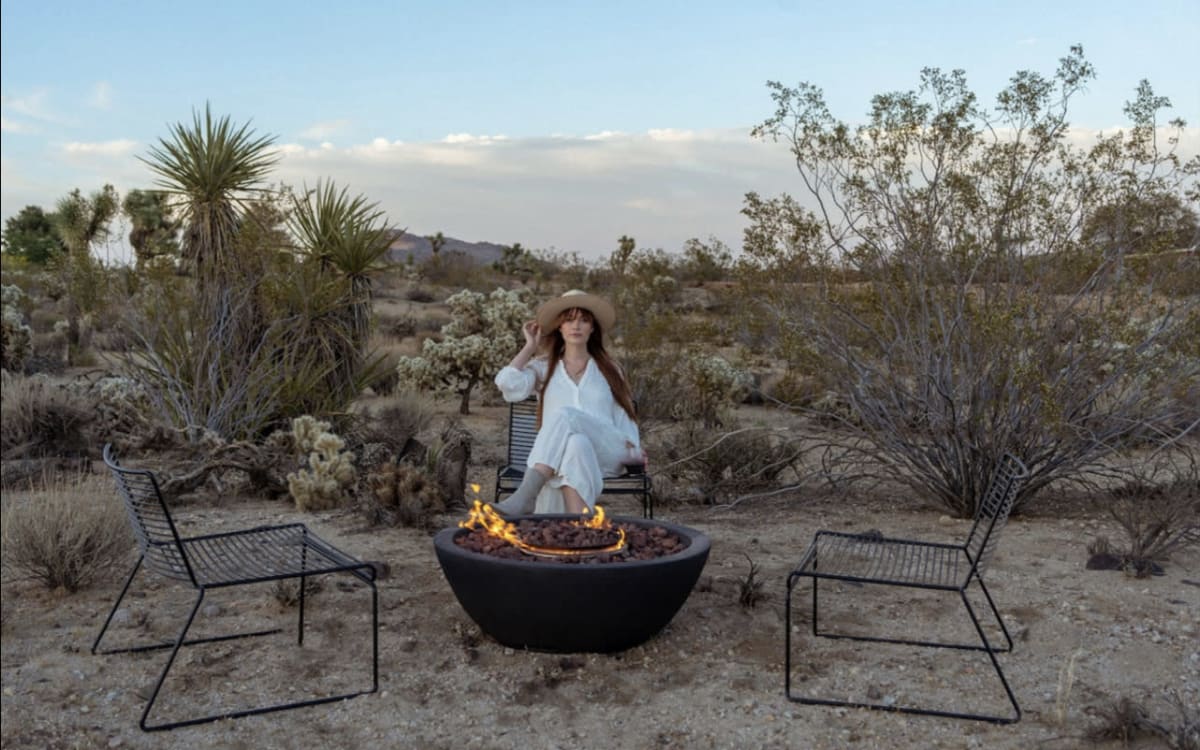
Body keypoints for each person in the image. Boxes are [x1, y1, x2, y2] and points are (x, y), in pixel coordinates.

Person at [492, 289, 646, 516]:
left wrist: (634, 449)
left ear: (592, 328)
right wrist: (529, 347)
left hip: (608, 451)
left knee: (566, 415)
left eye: (584, 320)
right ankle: (580, 525)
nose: (576, 326)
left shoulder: (609, 369)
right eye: (569, 320)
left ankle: (527, 494)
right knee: (576, 443)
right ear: (559, 327)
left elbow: (624, 413)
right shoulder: (544, 367)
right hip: (564, 455)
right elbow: (507, 383)